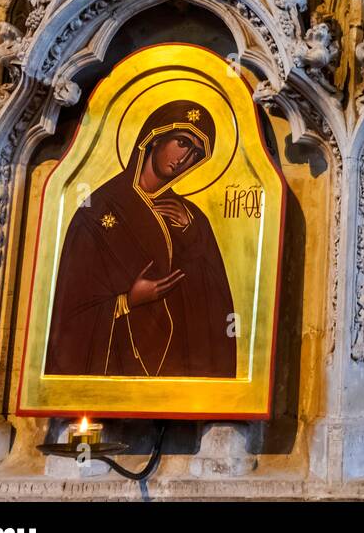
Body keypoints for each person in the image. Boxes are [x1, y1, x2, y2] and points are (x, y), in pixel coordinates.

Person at [44, 100, 236, 377]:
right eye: (181, 142)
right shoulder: (98, 209)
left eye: (195, 153)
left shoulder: (191, 219)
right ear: (154, 138)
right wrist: (128, 300)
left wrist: (192, 238)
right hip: (116, 364)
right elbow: (70, 312)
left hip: (176, 375)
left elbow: (214, 307)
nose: (184, 159)